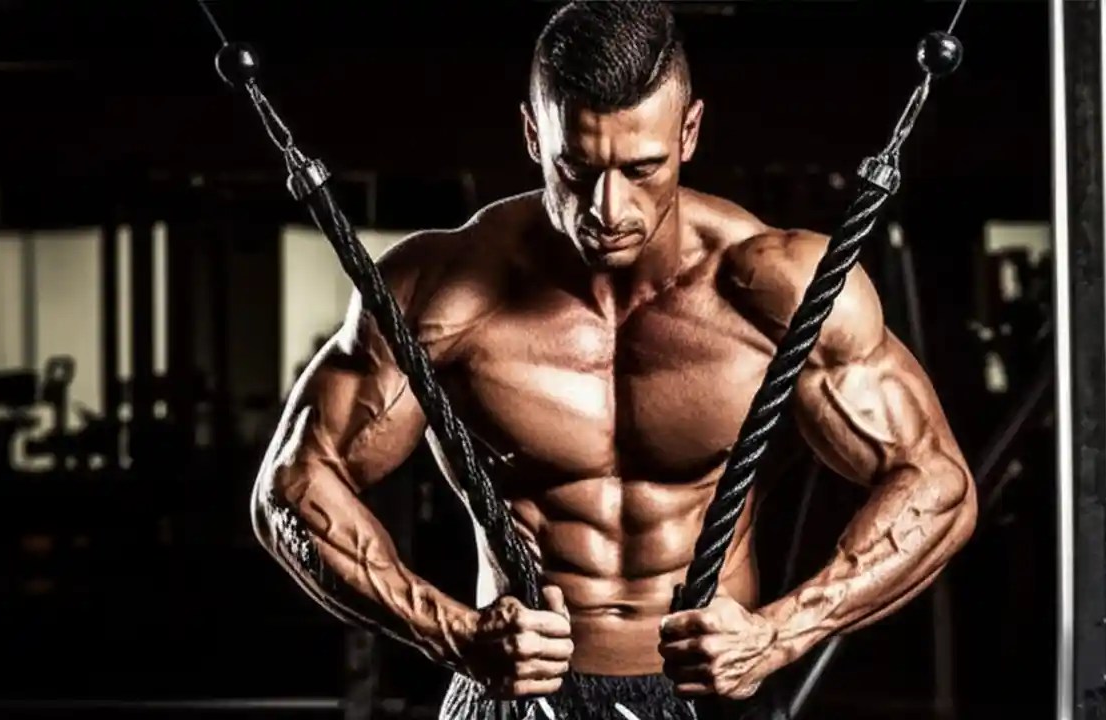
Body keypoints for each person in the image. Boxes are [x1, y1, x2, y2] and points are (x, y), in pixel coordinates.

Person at [252, 3, 977, 719]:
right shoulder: (439, 292)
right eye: (577, 167)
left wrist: (781, 633)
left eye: (641, 167)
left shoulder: (784, 294)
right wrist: (455, 634)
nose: (606, 206)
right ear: (534, 135)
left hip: (708, 689)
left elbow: (936, 483)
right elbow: (292, 486)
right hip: (512, 691)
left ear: (689, 131)